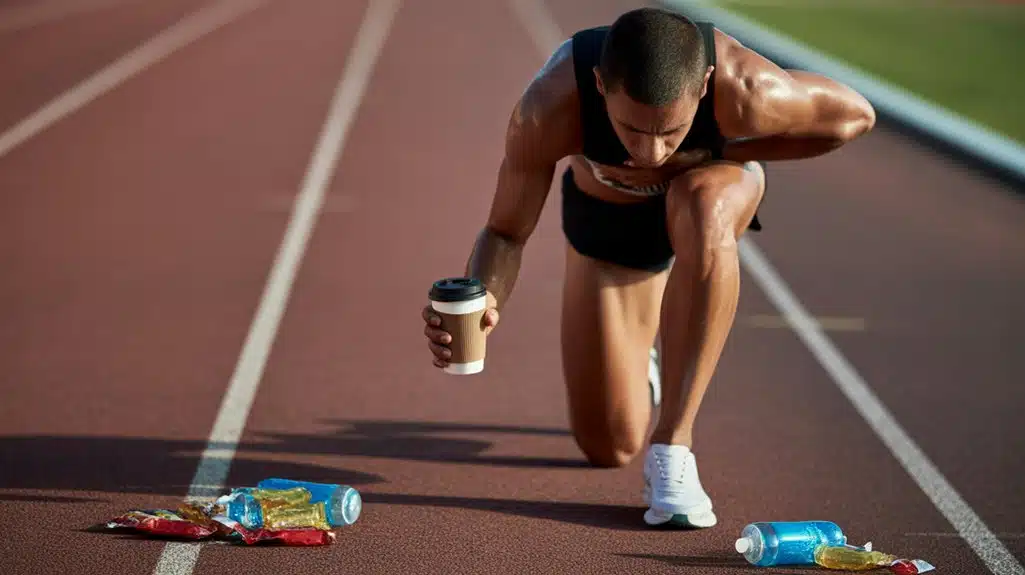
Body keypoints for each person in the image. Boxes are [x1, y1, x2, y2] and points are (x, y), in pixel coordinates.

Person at [422, 7, 875, 528]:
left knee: (699, 201)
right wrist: (483, 299)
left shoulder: (749, 89)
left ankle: (674, 446)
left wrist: (723, 144)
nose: (651, 152)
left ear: (705, 86)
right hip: (608, 221)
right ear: (598, 85)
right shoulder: (548, 107)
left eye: (673, 131)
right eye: (631, 129)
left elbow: (854, 117)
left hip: (710, 193)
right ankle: (648, 370)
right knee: (608, 446)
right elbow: (505, 231)